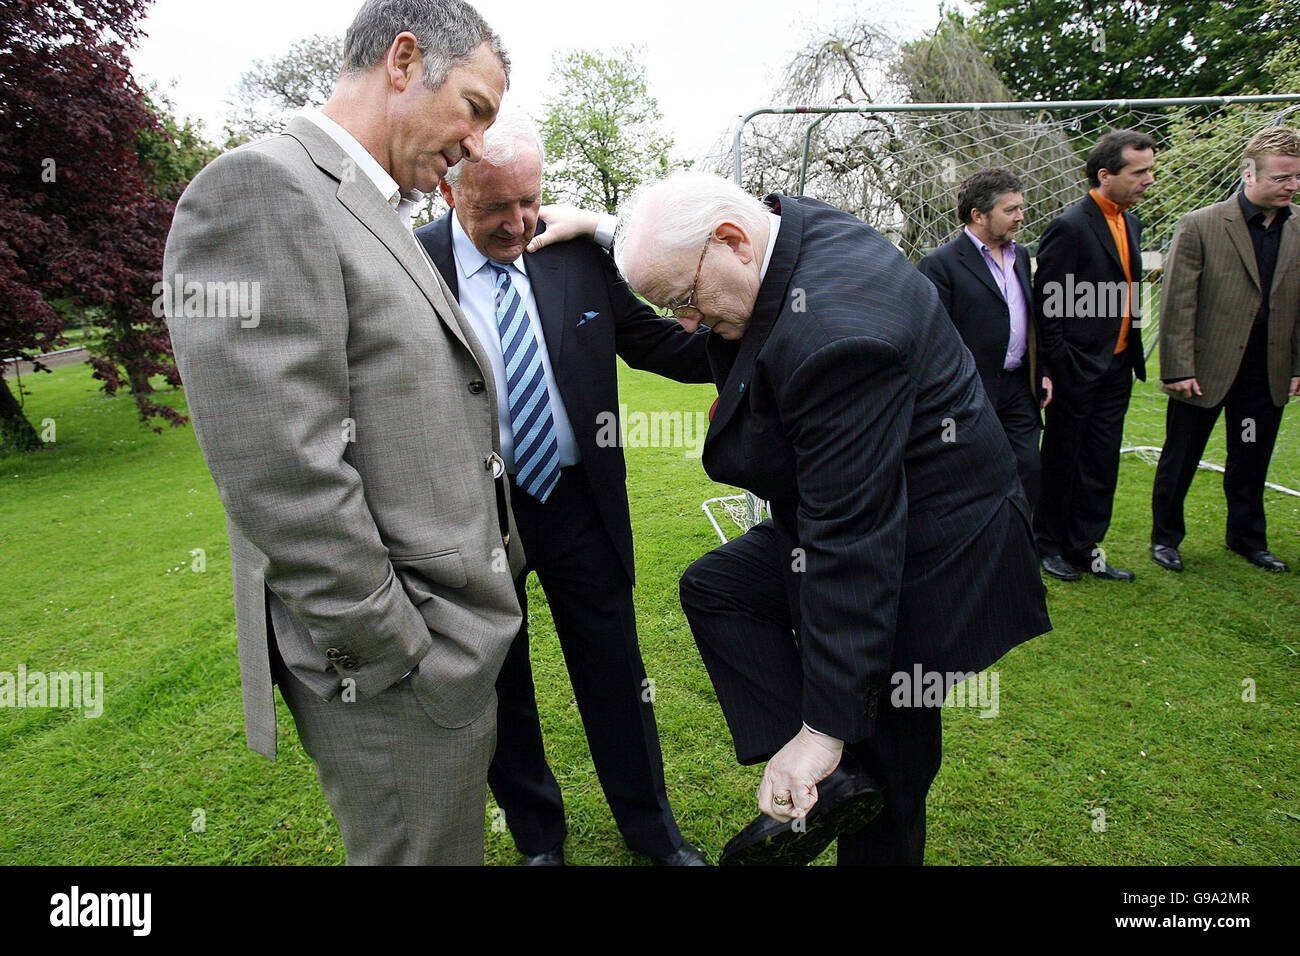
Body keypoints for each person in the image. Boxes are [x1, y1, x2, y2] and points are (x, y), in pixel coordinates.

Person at [163, 0, 523, 865]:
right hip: (395, 663)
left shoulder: (363, 196)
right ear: (403, 61)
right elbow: (278, 466)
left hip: (445, 637)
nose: (478, 143)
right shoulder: (260, 189)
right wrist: (395, 647)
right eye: (474, 107)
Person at [608, 171, 1051, 865]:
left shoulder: (840, 337)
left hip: (932, 550)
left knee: (894, 762)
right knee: (718, 587)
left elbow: (852, 542)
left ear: (732, 241)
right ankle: (842, 780)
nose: (688, 322)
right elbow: (698, 301)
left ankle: (848, 771)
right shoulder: (783, 229)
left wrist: (823, 727)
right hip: (873, 515)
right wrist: (600, 232)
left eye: (685, 301)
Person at [415, 112, 713, 865]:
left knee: (616, 674)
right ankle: (538, 841)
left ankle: (654, 833)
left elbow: (656, 343)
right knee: (501, 685)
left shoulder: (574, 250)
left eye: (529, 200)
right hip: (476, 514)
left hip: (580, 504)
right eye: (494, 208)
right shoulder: (412, 266)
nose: (519, 223)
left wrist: (755, 336)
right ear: (451, 191)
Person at [1150, 126, 1300, 573]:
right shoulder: (1201, 225)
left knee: (1250, 454)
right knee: (1182, 457)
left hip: (1264, 372)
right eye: (1281, 178)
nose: (1291, 186)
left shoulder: (1297, 230)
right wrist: (1178, 368)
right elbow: (1177, 302)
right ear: (1248, 174)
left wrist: (1296, 365)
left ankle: (1247, 538)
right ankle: (1165, 539)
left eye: (1296, 178)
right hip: (1204, 371)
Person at [1034, 129, 1155, 581]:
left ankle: (1085, 546)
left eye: (1150, 170)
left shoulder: (1132, 222)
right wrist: (1061, 364)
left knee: (1101, 459)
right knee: (1064, 457)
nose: (1148, 180)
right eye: (1138, 171)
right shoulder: (1070, 226)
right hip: (1076, 369)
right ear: (1105, 175)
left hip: (1119, 366)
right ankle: (1048, 543)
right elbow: (1048, 305)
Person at [918, 168, 1051, 514]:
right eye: (1010, 210)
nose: (1021, 217)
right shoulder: (940, 264)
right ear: (978, 215)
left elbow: (1029, 318)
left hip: (1020, 387)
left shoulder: (1020, 256)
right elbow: (932, 337)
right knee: (973, 474)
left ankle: (1020, 548)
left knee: (1028, 469)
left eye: (1020, 207)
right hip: (971, 390)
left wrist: (1043, 371)